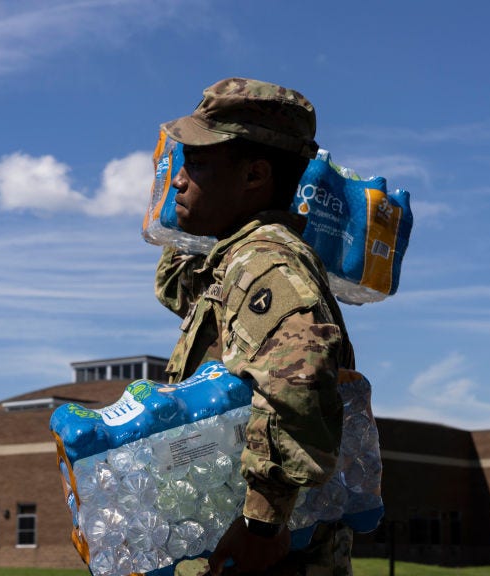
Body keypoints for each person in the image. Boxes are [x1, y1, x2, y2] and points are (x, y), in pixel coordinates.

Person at [154, 78, 356, 576]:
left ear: (255, 175)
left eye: (197, 163)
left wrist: (261, 525)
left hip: (264, 555)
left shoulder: (264, 260)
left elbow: (299, 380)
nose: (179, 177)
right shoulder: (236, 258)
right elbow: (178, 288)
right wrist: (170, 214)